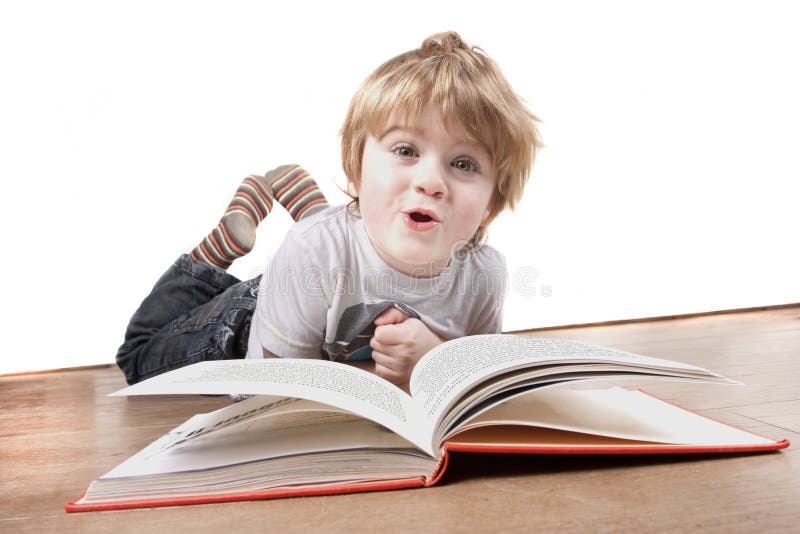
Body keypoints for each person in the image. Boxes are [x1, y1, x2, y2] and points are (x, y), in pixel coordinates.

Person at [115, 31, 543, 392]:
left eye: (464, 164)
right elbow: (271, 395)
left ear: (490, 203)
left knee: (324, 250)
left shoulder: (485, 276)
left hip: (323, 282)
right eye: (405, 150)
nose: (432, 181)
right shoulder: (312, 251)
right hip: (249, 320)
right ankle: (213, 252)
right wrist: (397, 378)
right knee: (138, 355)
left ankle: (314, 213)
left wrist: (435, 360)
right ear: (356, 170)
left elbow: (476, 389)